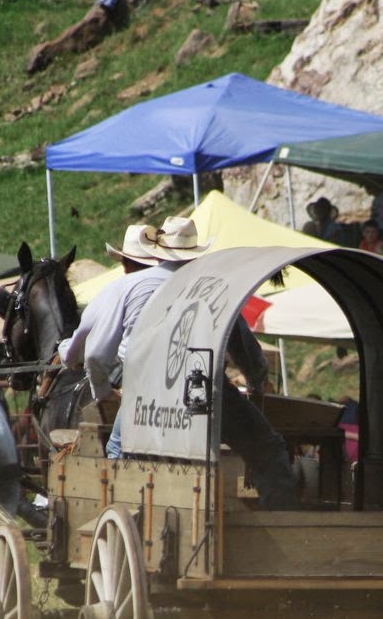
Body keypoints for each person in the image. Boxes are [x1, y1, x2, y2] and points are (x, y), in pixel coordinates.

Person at [59, 216, 298, 508]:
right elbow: (245, 348)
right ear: (195, 253)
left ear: (158, 252)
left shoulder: (126, 287)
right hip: (208, 389)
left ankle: (123, 515)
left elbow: (95, 354)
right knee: (268, 450)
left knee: (119, 455)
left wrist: (102, 392)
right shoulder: (215, 286)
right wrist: (257, 380)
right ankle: (282, 521)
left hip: (147, 395)